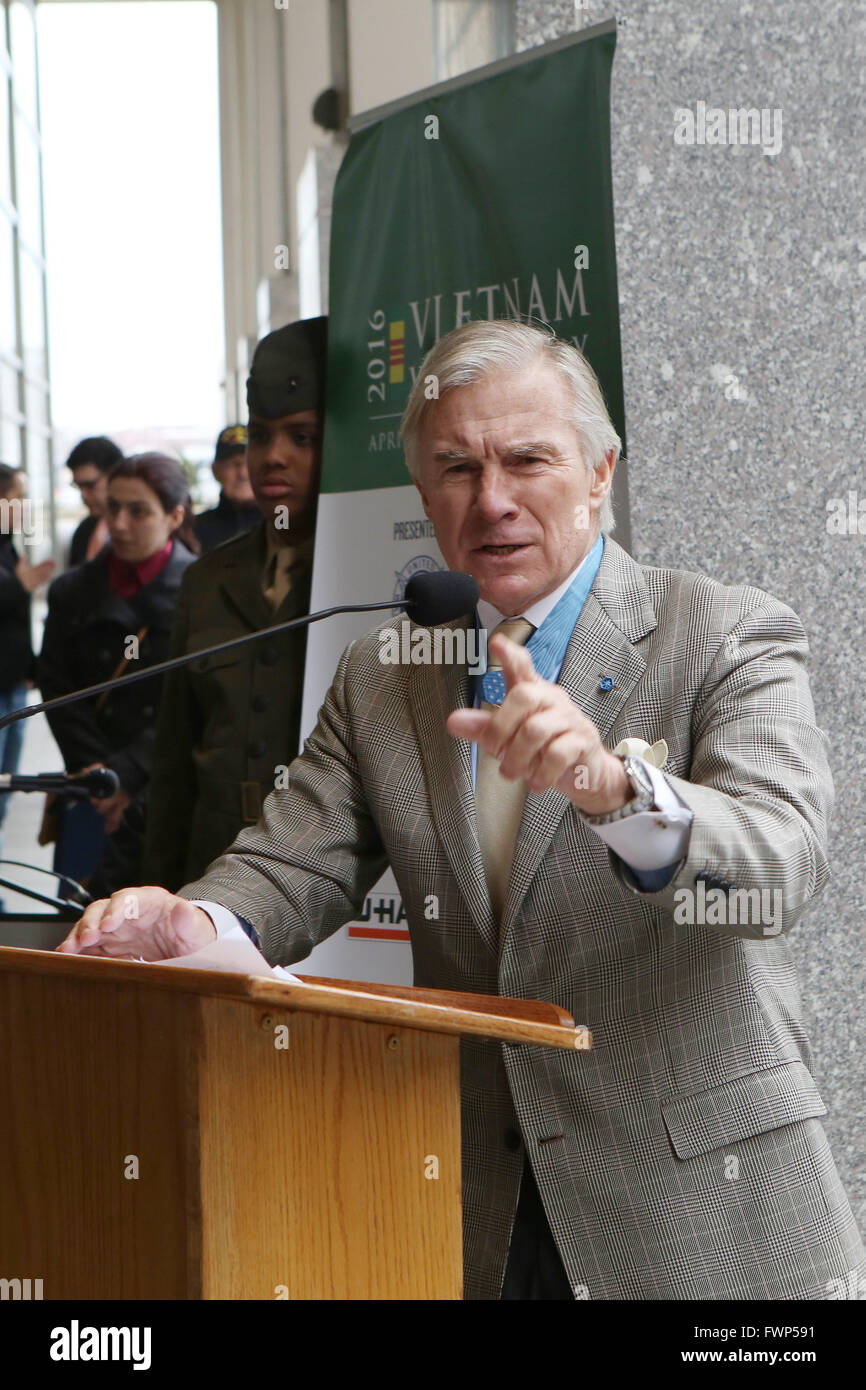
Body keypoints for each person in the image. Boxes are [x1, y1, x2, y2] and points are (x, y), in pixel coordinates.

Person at [58, 320, 865, 1302]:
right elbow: (291, 861)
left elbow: (779, 858)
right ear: (422, 495)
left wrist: (615, 790)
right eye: (454, 469)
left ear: (600, 471)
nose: (491, 501)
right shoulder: (386, 672)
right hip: (469, 1210)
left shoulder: (722, 630)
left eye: (526, 459)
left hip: (693, 1212)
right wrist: (199, 917)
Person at [140, 317, 326, 891]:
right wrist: (161, 889)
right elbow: (173, 766)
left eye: (302, 438)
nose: (273, 457)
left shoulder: (368, 579)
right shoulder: (206, 579)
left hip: (325, 882)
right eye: (261, 435)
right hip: (210, 872)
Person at [39, 453, 198, 892]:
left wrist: (127, 775)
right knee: (80, 925)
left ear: (174, 515)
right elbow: (56, 685)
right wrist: (98, 776)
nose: (120, 524)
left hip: (163, 789)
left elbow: (194, 698)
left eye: (139, 511)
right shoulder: (72, 591)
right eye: (113, 508)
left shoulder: (203, 592)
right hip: (89, 789)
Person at [0, 464, 54, 871]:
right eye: (17, 497)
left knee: (6, 787)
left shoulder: (8, 544)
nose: (24, 506)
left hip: (14, 683)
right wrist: (21, 585)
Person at [193, 425, 260, 554]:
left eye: (249, 463)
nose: (243, 473)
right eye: (234, 464)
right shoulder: (195, 529)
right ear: (215, 471)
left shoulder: (281, 523)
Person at [64, 436, 124, 567]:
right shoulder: (84, 531)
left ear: (116, 476)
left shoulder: (143, 529)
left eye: (90, 485)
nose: (83, 495)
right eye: (78, 487)